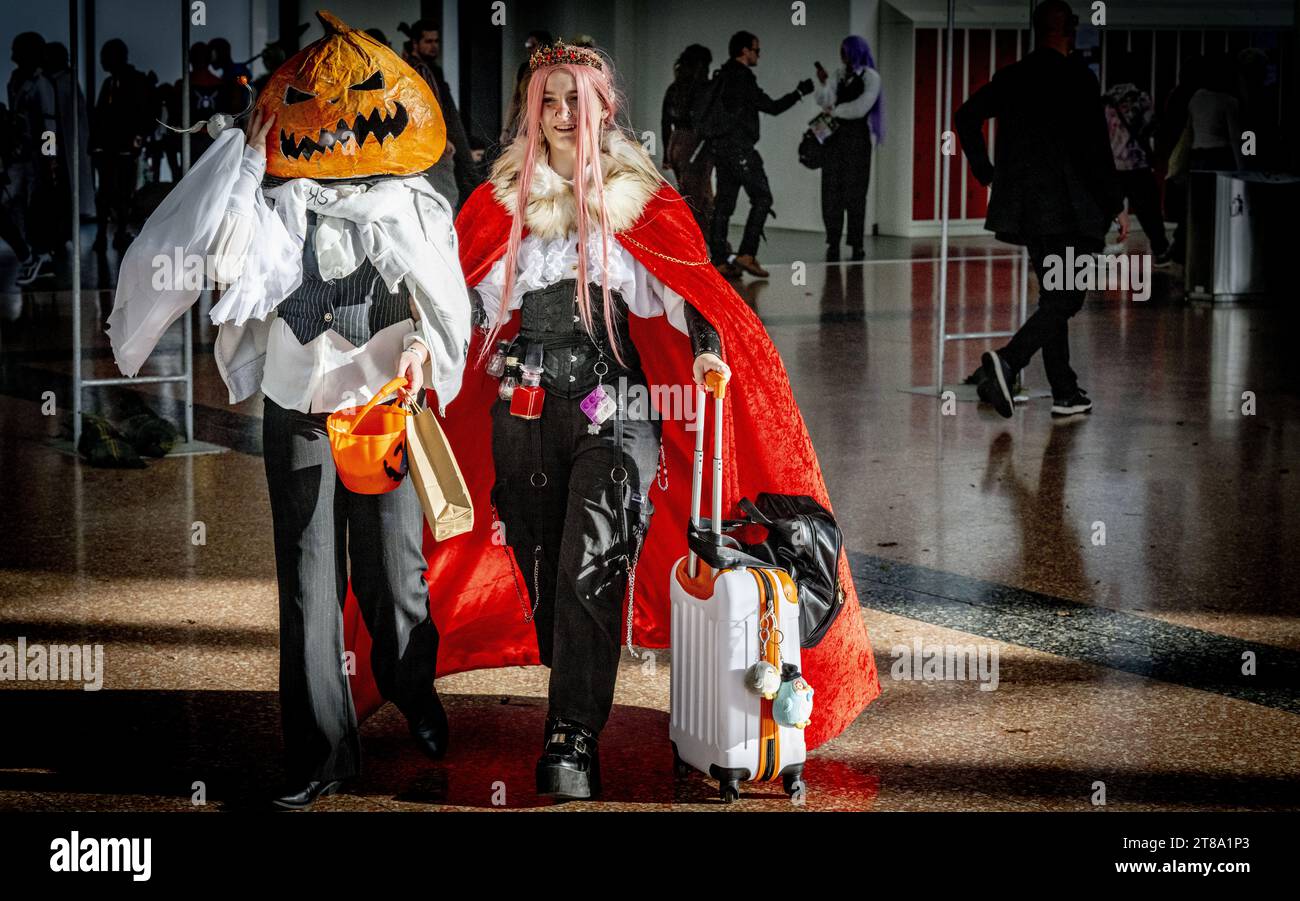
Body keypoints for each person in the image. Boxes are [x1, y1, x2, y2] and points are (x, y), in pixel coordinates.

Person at [434, 41, 881, 800]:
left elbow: (690, 290)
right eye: (550, 100)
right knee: (542, 566)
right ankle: (569, 679)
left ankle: (572, 735)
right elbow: (459, 306)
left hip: (616, 408)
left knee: (591, 564)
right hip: (523, 410)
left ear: (604, 107)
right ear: (532, 110)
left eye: (579, 99)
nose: (564, 115)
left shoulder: (641, 199)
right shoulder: (496, 202)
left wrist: (707, 351)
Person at [106, 13, 471, 811]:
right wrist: (244, 160)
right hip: (297, 400)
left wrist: (423, 356)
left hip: (381, 401)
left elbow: (445, 300)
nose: (339, 117)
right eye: (317, 101)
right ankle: (322, 753)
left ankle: (414, 689)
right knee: (308, 581)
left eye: (357, 99)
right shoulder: (272, 198)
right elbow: (226, 262)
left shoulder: (412, 204)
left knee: (392, 576)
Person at [955, 0, 1126, 419]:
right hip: (1073, 210)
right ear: (1069, 30)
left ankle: (1065, 391)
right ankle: (1009, 360)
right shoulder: (1079, 79)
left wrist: (986, 170)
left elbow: (965, 116)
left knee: (1054, 297)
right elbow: (1095, 151)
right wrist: (1116, 202)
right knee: (1067, 299)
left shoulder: (1013, 77)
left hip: (1030, 212)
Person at [706, 30, 814, 279]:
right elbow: (772, 107)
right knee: (763, 197)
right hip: (741, 150)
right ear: (744, 51)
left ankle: (720, 259)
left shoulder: (722, 75)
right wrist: (798, 93)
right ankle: (747, 254)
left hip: (722, 150)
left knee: (724, 204)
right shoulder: (742, 77)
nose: (758, 55)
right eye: (756, 50)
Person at [813, 35, 883, 262]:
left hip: (857, 141)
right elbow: (825, 101)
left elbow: (861, 108)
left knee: (855, 193)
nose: (842, 56)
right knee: (831, 191)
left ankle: (856, 243)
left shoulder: (871, 77)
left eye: (846, 51)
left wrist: (835, 110)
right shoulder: (837, 75)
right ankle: (833, 241)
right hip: (834, 139)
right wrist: (824, 84)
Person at [402, 18, 480, 208]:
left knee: (461, 182)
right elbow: (424, 109)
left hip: (444, 134)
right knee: (449, 190)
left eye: (436, 41)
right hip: (435, 139)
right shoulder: (418, 69)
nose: (434, 46)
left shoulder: (430, 69)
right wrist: (441, 137)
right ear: (415, 44)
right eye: (428, 42)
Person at [1104, 56, 1170, 263]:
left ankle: (1094, 247)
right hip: (1135, 162)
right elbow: (1151, 125)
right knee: (1148, 210)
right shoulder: (1140, 98)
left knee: (1105, 207)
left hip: (1111, 163)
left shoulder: (1105, 99)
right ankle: (1160, 250)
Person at [91, 39, 154, 253]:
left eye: (105, 56)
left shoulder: (135, 81)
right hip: (108, 148)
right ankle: (105, 233)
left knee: (122, 192)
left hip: (124, 147)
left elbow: (144, 113)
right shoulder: (109, 83)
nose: (102, 61)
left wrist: (137, 140)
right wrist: (96, 144)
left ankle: (119, 231)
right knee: (106, 193)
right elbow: (100, 115)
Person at [9, 32, 57, 285]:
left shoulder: (40, 84)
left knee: (32, 208)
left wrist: (49, 159)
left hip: (34, 159)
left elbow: (49, 125)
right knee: (18, 209)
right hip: (21, 156)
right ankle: (33, 255)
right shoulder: (19, 81)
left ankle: (38, 256)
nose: (12, 56)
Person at [661, 43, 714, 237]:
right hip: (694, 143)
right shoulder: (702, 89)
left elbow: (665, 122)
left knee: (690, 193)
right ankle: (704, 245)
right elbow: (704, 120)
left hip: (676, 142)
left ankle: (705, 245)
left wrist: (667, 152)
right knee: (699, 198)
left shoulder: (674, 89)